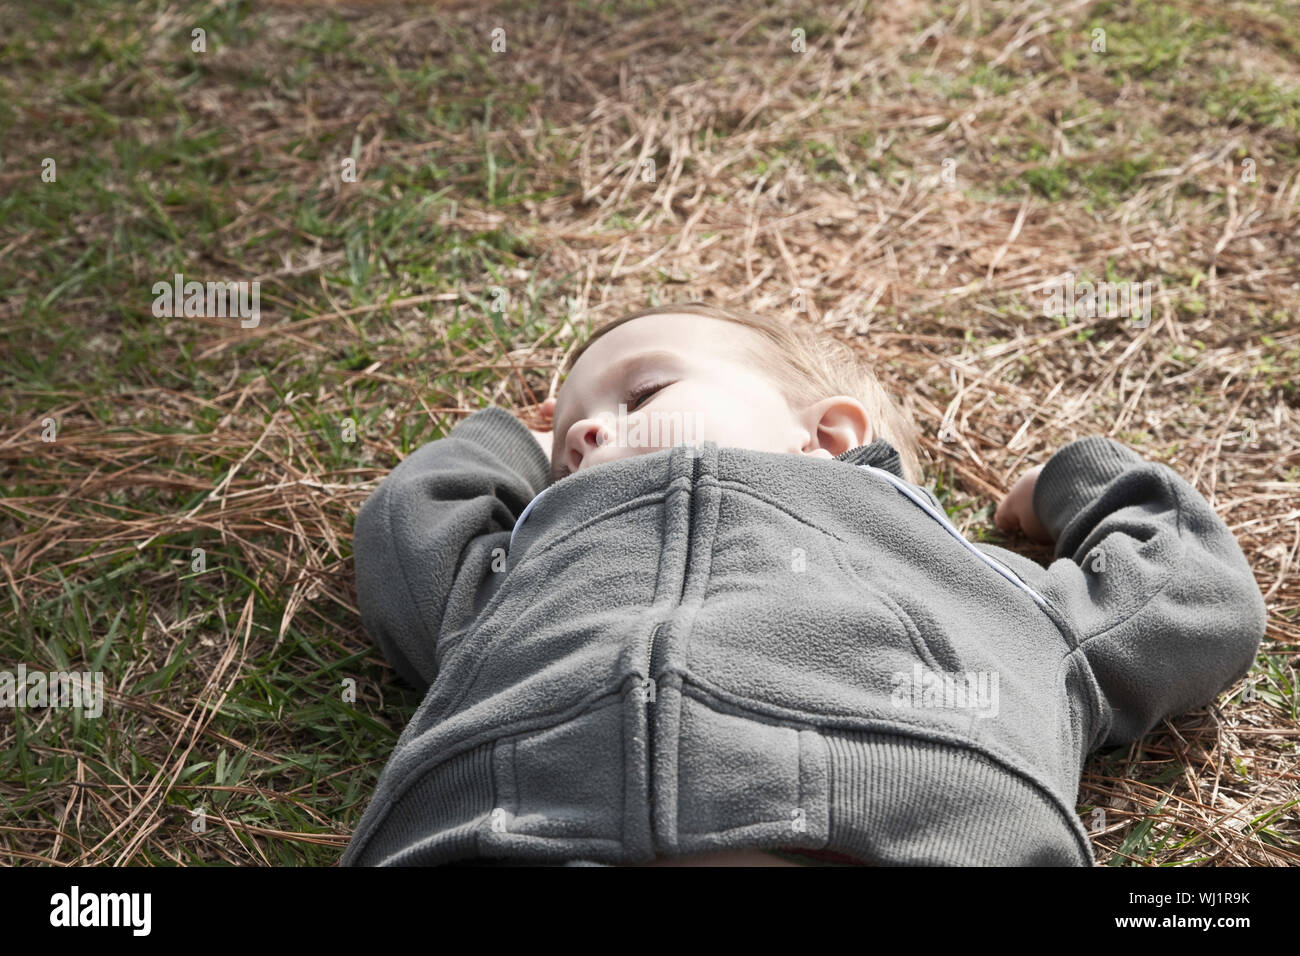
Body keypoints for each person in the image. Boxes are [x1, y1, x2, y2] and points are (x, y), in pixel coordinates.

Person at [340, 302, 1265, 866]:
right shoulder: (533, 568)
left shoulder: (972, 575)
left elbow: (1189, 595)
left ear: (826, 434)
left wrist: (1074, 482)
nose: (581, 435)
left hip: (896, 825)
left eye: (639, 394)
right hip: (514, 819)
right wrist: (511, 438)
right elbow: (409, 536)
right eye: (563, 440)